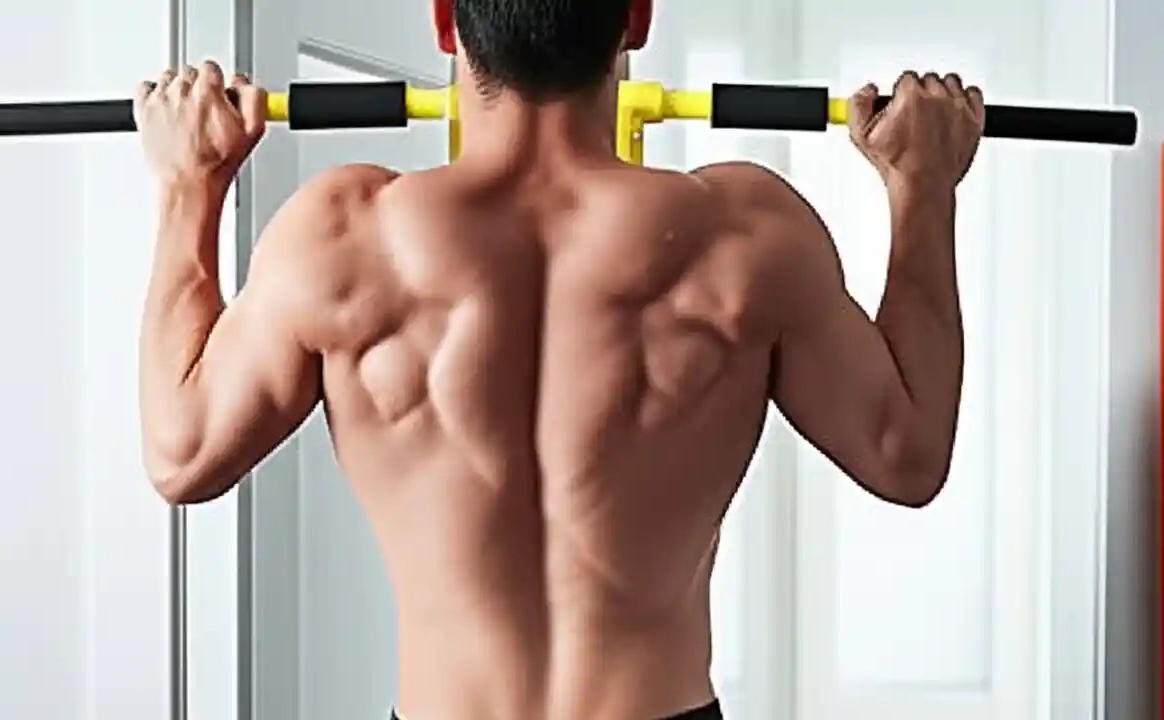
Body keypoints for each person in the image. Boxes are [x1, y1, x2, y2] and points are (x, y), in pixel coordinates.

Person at [133, 0, 986, 717]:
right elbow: (906, 455)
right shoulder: (747, 236)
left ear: (444, 21)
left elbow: (182, 455)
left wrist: (189, 189)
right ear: (637, 19)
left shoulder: (342, 236)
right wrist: (922, 192)